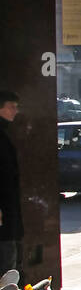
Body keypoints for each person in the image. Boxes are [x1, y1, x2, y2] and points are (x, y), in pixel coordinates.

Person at [0, 90, 22, 277]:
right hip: (3, 213)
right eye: (11, 107)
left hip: (7, 210)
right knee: (6, 263)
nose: (16, 111)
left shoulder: (3, 134)